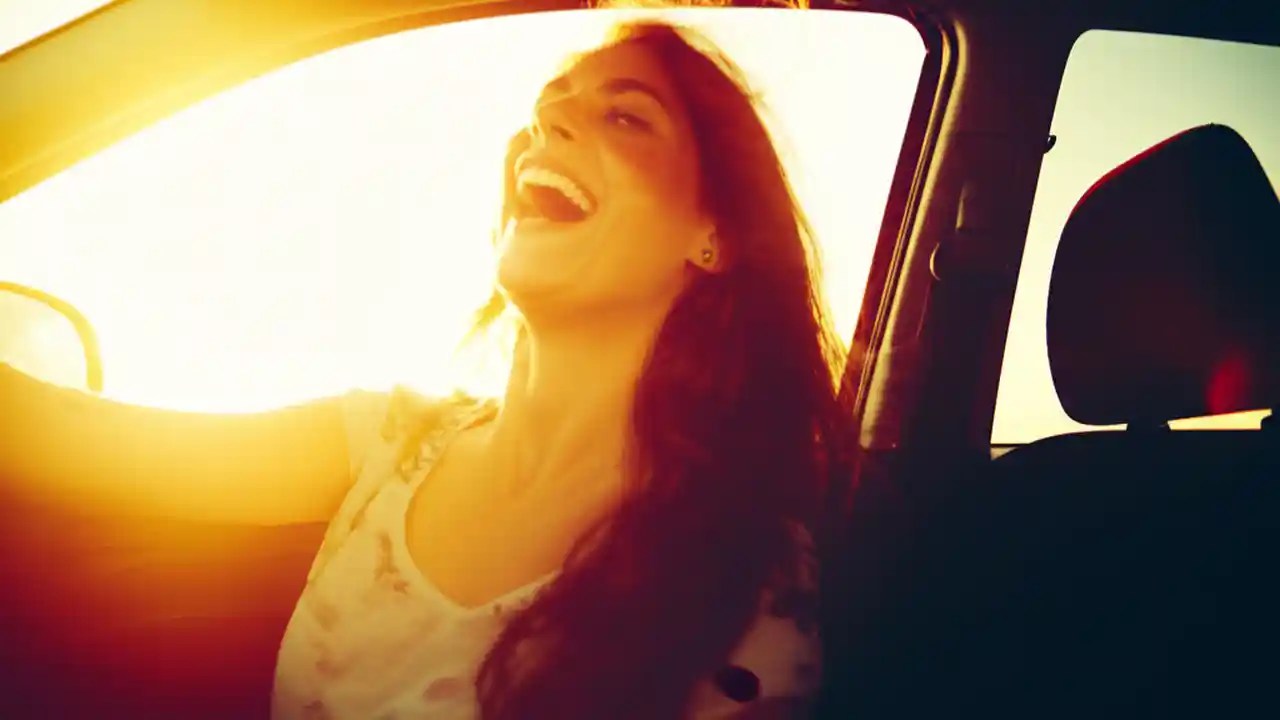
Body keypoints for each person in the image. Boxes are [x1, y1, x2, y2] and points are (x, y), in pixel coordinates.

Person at [0, 17, 851, 720]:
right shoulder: (385, 441)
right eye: (547, 109)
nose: (543, 129)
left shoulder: (745, 577)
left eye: (624, 117)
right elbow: (74, 440)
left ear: (714, 236)